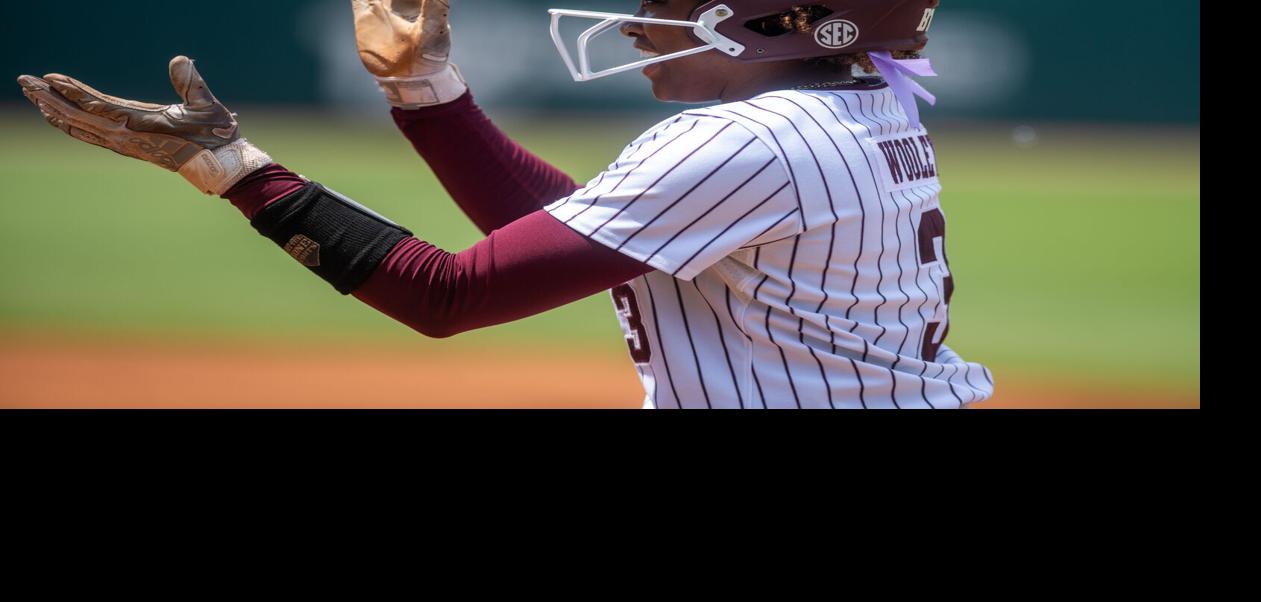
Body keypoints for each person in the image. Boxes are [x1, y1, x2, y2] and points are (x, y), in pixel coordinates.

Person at [17, 0, 993, 409]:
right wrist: (424, 93)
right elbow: (586, 229)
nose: (637, 24)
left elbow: (450, 297)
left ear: (777, 22)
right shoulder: (854, 114)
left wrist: (233, 169)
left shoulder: (753, 137)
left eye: (675, 2)